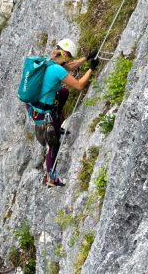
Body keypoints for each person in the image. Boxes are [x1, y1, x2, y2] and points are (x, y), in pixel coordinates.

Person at [26, 38, 95, 187]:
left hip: (33, 105)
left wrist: (86, 58)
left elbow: (68, 67)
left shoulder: (48, 61)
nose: (68, 61)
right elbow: (79, 85)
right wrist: (91, 69)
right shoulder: (57, 69)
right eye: (69, 57)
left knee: (62, 92)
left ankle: (56, 120)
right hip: (43, 113)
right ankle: (51, 177)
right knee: (54, 143)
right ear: (65, 55)